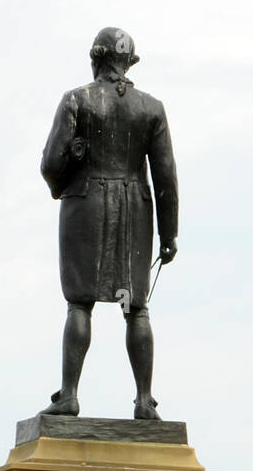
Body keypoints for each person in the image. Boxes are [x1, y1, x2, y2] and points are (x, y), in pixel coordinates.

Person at [40, 27, 178, 419]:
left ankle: (69, 395)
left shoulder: (77, 100)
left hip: (86, 205)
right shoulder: (151, 109)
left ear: (96, 59)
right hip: (135, 208)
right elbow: (166, 177)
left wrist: (68, 173)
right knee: (135, 306)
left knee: (79, 302)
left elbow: (51, 165)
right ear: (127, 62)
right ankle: (143, 400)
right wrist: (169, 233)